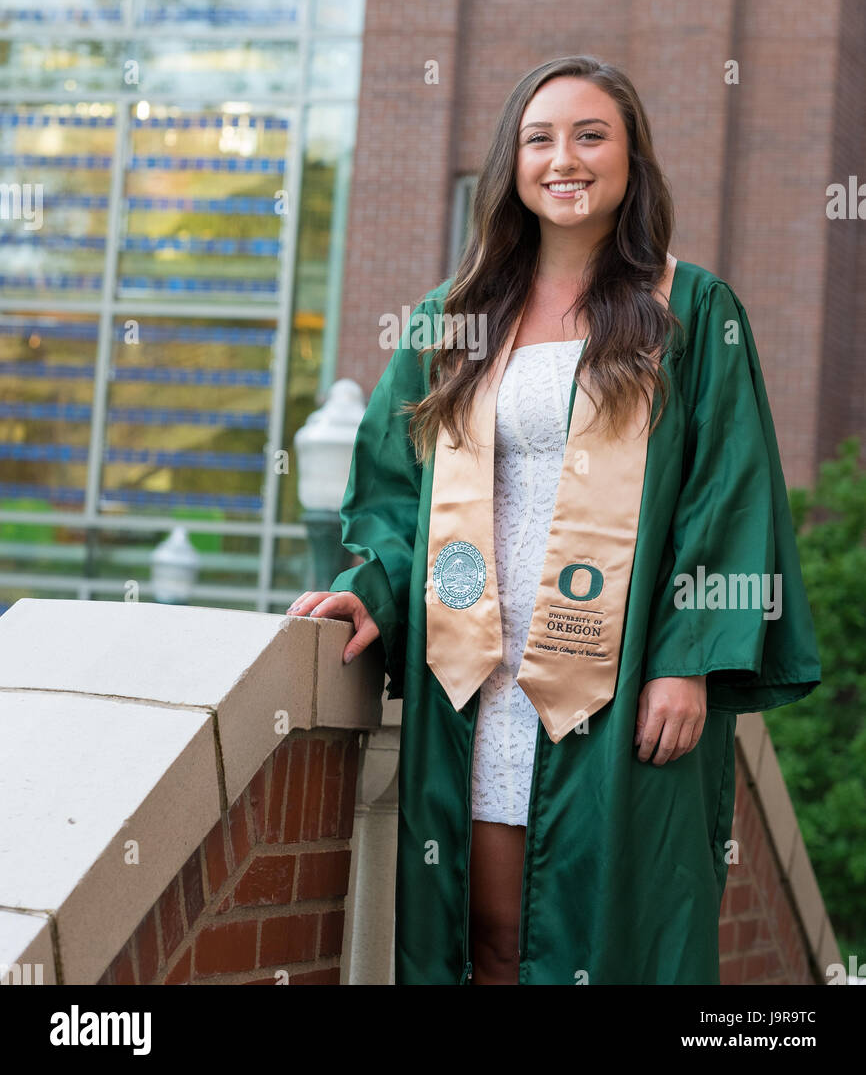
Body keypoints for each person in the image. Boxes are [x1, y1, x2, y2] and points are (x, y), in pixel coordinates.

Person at [288, 54, 822, 986]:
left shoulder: (689, 312)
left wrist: (686, 659)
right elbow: (392, 492)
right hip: (480, 678)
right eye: (540, 138)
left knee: (611, 938)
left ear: (631, 159)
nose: (563, 158)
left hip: (620, 686)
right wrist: (367, 590)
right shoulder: (451, 320)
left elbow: (726, 495)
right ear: (513, 164)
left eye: (590, 135)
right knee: (488, 936)